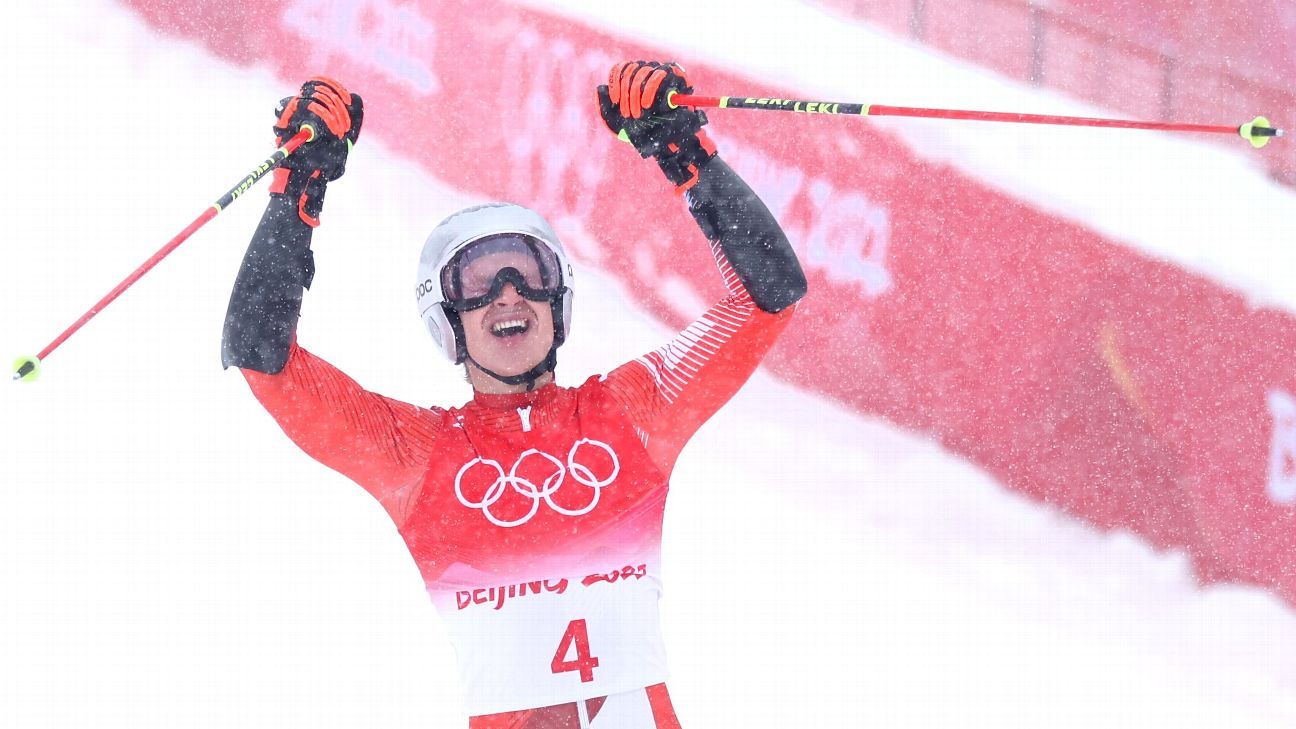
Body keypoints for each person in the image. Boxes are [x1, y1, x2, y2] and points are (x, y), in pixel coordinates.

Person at [222, 63, 807, 729]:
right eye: (477, 279)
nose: (508, 292)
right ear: (447, 316)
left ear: (559, 304)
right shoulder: (418, 457)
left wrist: (684, 151)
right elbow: (264, 358)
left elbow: (767, 299)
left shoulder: (632, 412)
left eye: (530, 272)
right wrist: (299, 189)